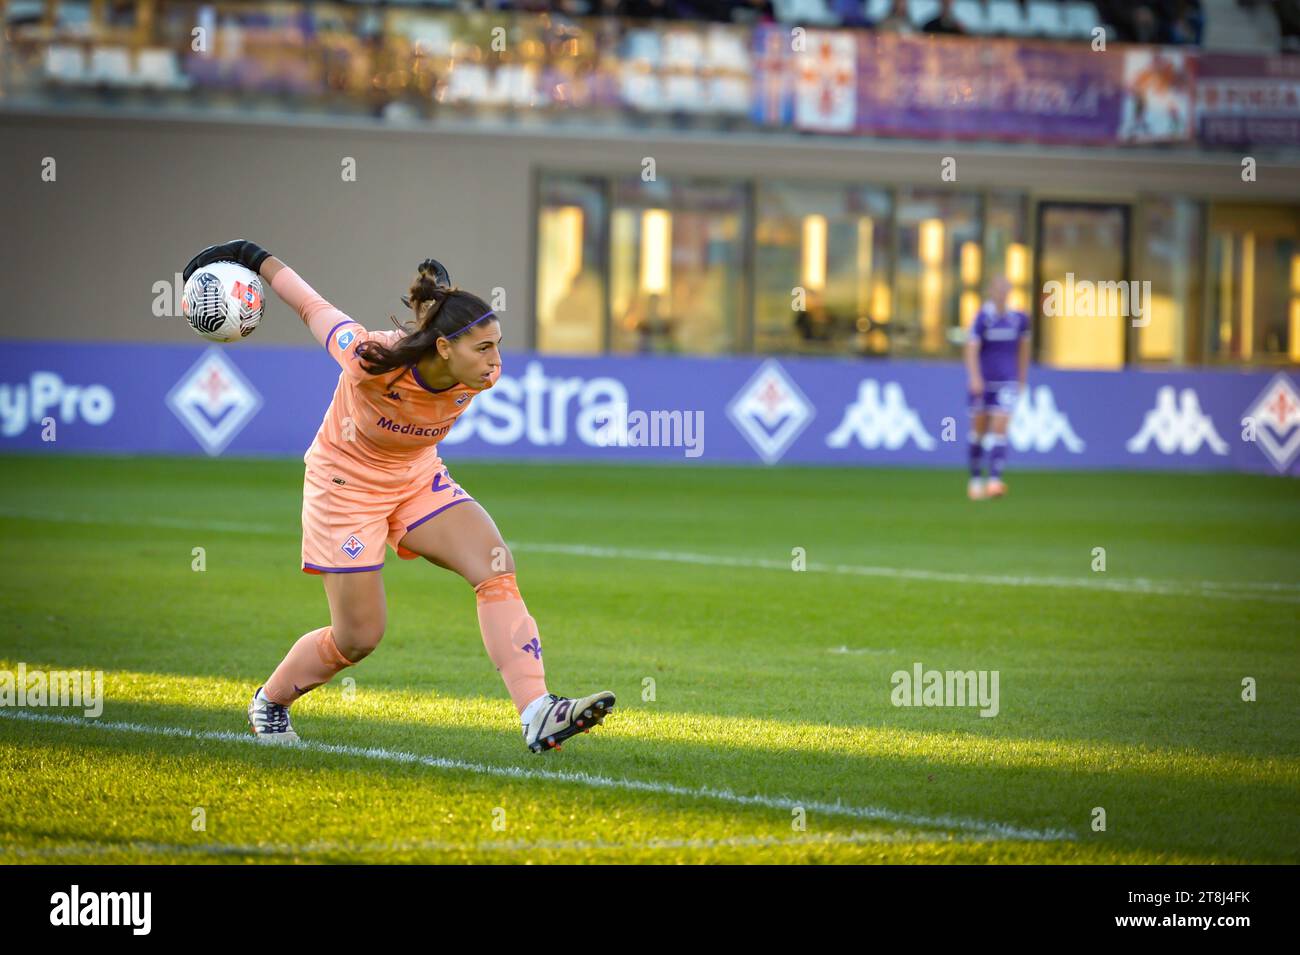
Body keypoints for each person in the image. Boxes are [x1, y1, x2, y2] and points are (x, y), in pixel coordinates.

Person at [180, 240, 615, 754]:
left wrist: (441, 309)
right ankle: (270, 701)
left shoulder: (480, 374)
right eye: (484, 348)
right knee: (359, 638)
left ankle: (537, 711)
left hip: (413, 477)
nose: (496, 362)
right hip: (343, 487)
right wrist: (254, 257)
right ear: (444, 348)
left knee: (495, 565)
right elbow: (311, 307)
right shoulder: (370, 358)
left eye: (497, 344)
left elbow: (445, 333)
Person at [963, 275, 1029, 500]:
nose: (1002, 293)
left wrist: (1021, 378)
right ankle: (974, 480)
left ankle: (994, 480)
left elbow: (1023, 350)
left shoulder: (1019, 319)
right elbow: (971, 348)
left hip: (1007, 381)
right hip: (984, 381)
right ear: (991, 291)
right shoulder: (983, 317)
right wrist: (974, 377)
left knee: (1000, 428)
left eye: (1005, 289)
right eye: (998, 288)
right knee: (978, 432)